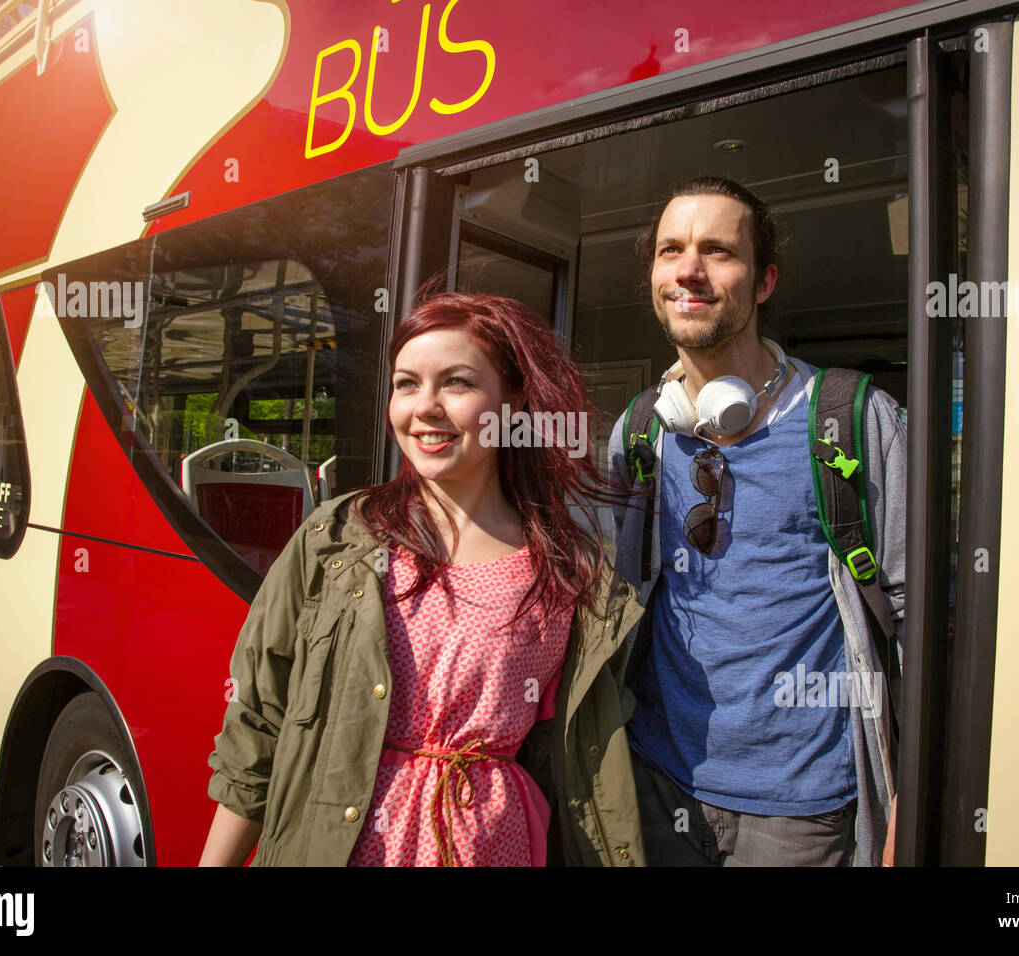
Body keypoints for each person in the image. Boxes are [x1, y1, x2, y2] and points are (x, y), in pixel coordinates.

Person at [200, 291, 647, 866]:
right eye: (406, 384)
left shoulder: (566, 568)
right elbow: (258, 727)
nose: (425, 407)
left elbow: (577, 765)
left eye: (457, 383)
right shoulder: (336, 539)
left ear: (512, 403)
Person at [608, 177, 906, 866]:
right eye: (670, 250)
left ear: (764, 280)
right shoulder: (638, 434)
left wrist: (906, 799)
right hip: (655, 784)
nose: (688, 269)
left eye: (717, 250)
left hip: (801, 813)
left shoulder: (853, 421)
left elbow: (913, 618)